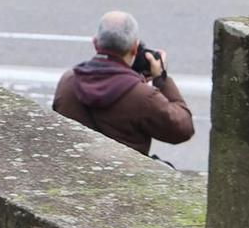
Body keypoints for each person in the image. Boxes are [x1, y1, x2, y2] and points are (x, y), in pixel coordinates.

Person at [51, 10, 194, 160]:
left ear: (95, 43)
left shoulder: (68, 82)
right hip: (125, 177)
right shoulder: (143, 96)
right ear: (134, 48)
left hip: (75, 173)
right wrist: (161, 78)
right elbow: (183, 129)